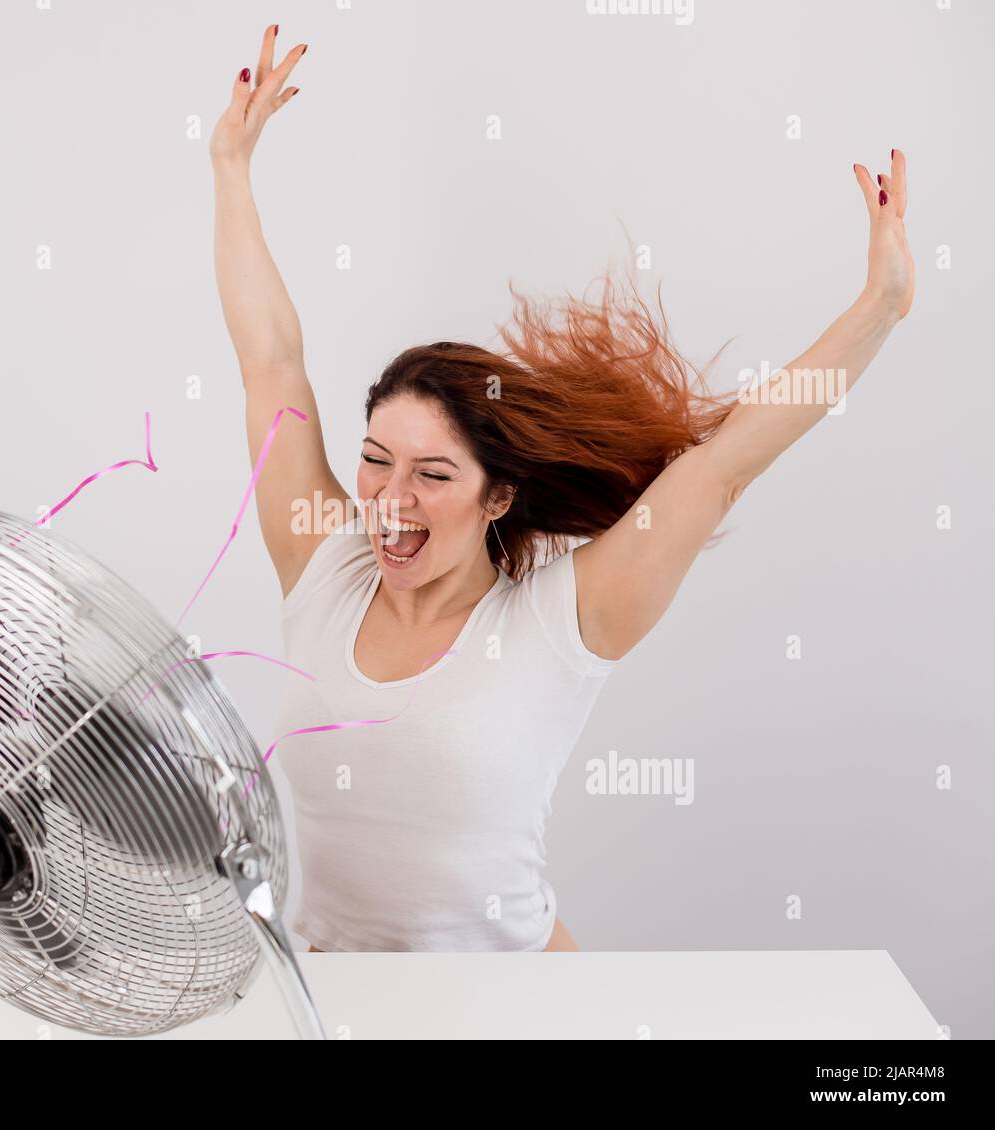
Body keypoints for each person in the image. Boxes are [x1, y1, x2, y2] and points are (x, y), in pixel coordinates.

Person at [209, 25, 913, 952]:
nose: (389, 498)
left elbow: (726, 462)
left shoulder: (558, 624)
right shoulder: (322, 568)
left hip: (523, 1007)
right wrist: (229, 165)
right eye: (376, 459)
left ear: (498, 496)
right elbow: (272, 360)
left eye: (433, 475)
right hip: (342, 1007)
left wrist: (882, 307)